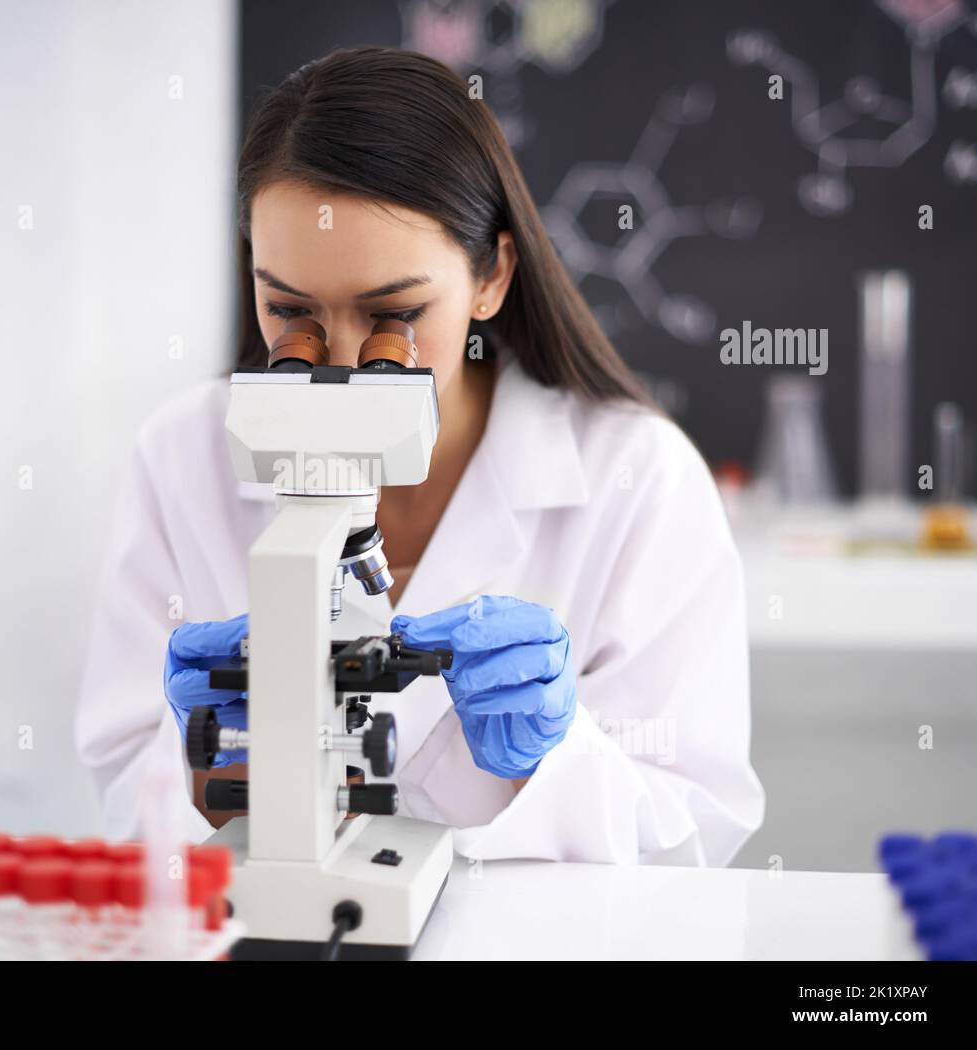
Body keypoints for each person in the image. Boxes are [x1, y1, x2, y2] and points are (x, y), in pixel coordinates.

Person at [75, 46, 764, 864]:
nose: (337, 359)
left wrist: (548, 758)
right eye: (288, 310)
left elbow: (695, 830)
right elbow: (121, 798)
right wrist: (202, 760)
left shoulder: (637, 479)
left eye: (393, 316)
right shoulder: (182, 454)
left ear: (492, 275)